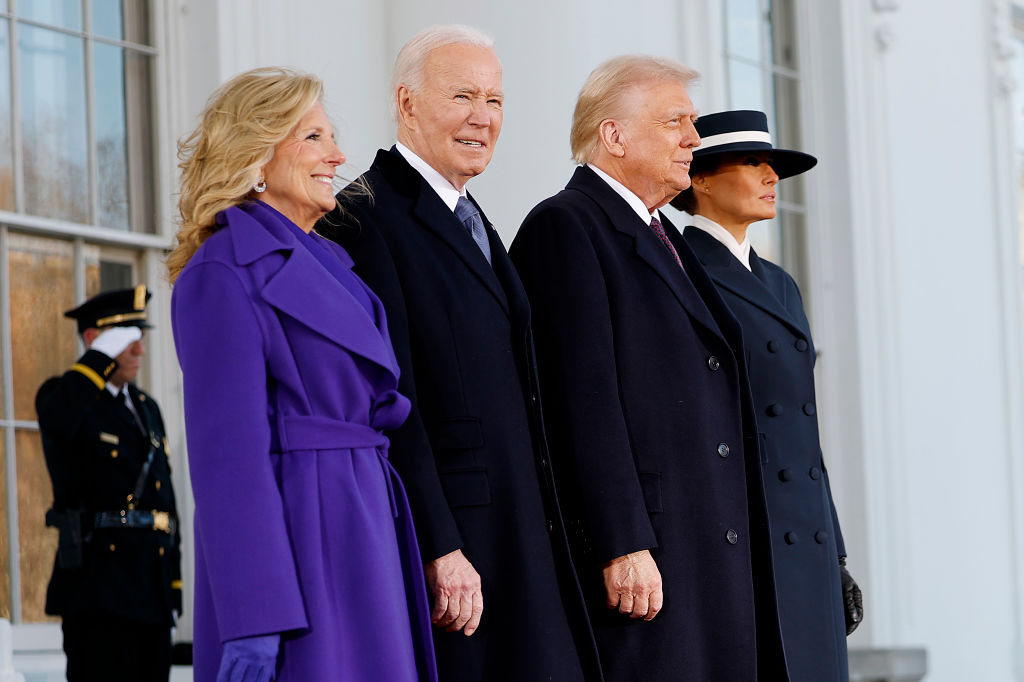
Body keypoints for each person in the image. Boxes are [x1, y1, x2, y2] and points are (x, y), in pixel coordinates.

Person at [318, 25, 599, 682]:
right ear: (408, 103)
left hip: (523, 531)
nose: (483, 118)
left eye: (495, 100)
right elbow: (391, 398)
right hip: (460, 551)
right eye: (463, 96)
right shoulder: (362, 214)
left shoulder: (473, 217)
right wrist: (438, 543)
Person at [509, 56, 789, 681]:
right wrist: (621, 541)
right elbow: (581, 400)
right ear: (613, 136)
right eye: (675, 122)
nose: (694, 137)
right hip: (648, 561)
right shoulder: (567, 225)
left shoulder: (663, 234)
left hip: (706, 550)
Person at [166, 67, 436, 682]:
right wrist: (254, 615)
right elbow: (227, 458)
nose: (337, 156)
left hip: (362, 520)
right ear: (256, 157)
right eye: (313, 137)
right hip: (302, 541)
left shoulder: (335, 262)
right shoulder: (223, 272)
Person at [671, 109, 864, 682]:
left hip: (807, 540)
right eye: (753, 163)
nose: (770, 176)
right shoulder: (680, 269)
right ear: (700, 179)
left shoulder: (780, 282)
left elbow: (804, 435)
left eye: (773, 165)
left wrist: (837, 552)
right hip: (746, 538)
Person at [36, 285, 182, 682]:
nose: (140, 350)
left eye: (140, 340)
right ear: (93, 340)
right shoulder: (66, 397)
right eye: (128, 340)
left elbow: (164, 500)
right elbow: (58, 420)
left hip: (151, 589)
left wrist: (174, 586)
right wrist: (98, 358)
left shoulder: (147, 409)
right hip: (99, 590)